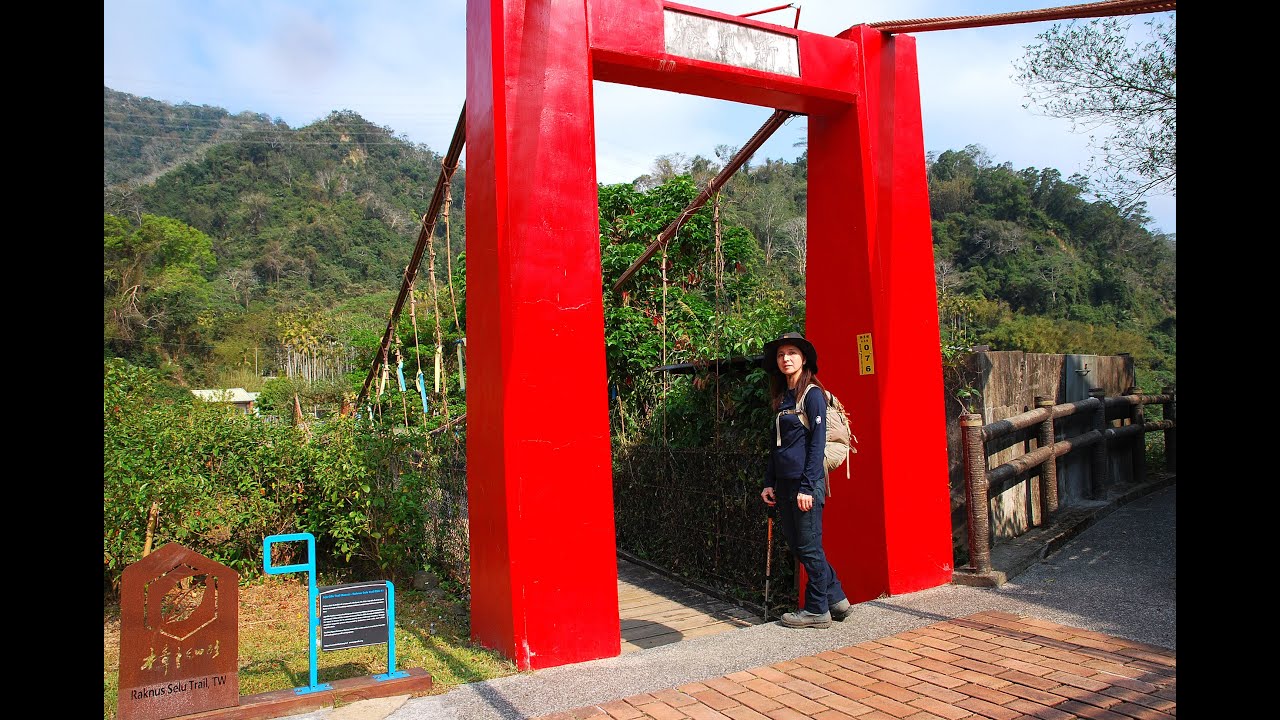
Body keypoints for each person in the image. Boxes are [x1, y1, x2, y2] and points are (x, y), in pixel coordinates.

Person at [760, 331, 852, 628]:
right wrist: (769, 481)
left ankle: (817, 609)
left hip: (805, 484)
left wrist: (807, 487)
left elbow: (816, 445)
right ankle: (836, 598)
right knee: (800, 546)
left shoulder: (812, 395)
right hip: (785, 484)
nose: (785, 359)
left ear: (804, 359)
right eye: (781, 355)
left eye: (792, 353)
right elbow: (776, 446)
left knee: (810, 547)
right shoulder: (783, 398)